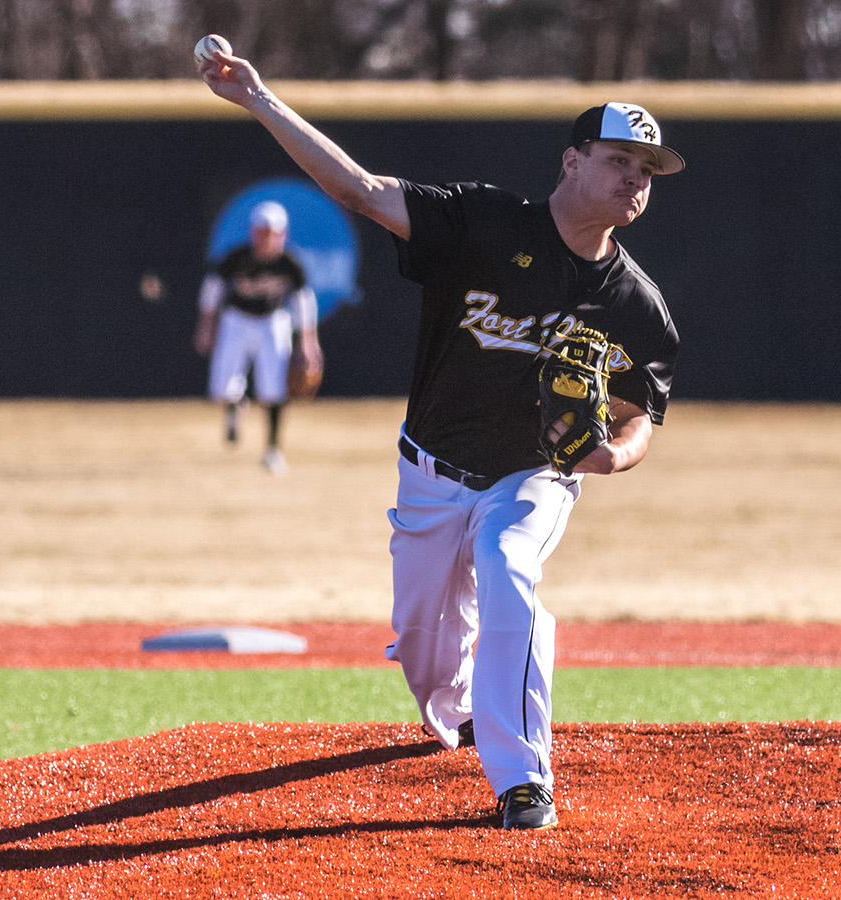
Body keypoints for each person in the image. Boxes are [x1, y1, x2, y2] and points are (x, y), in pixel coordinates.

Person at [199, 46, 680, 830]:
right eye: (620, 159)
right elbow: (358, 190)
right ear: (571, 161)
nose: (636, 179)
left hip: (535, 475)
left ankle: (523, 780)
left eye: (648, 170)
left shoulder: (635, 303)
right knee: (424, 655)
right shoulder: (482, 224)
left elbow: (638, 416)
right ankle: (453, 706)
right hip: (430, 473)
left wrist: (610, 455)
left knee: (507, 563)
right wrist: (258, 99)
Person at [192, 200, 323, 475]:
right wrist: (206, 328)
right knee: (222, 387)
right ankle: (234, 407)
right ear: (253, 232)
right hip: (236, 320)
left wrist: (308, 343)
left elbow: (303, 305)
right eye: (261, 231)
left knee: (274, 388)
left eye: (272, 232)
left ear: (282, 234)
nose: (266, 237)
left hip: (273, 321)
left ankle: (273, 450)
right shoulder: (235, 258)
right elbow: (212, 293)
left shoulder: (290, 264)